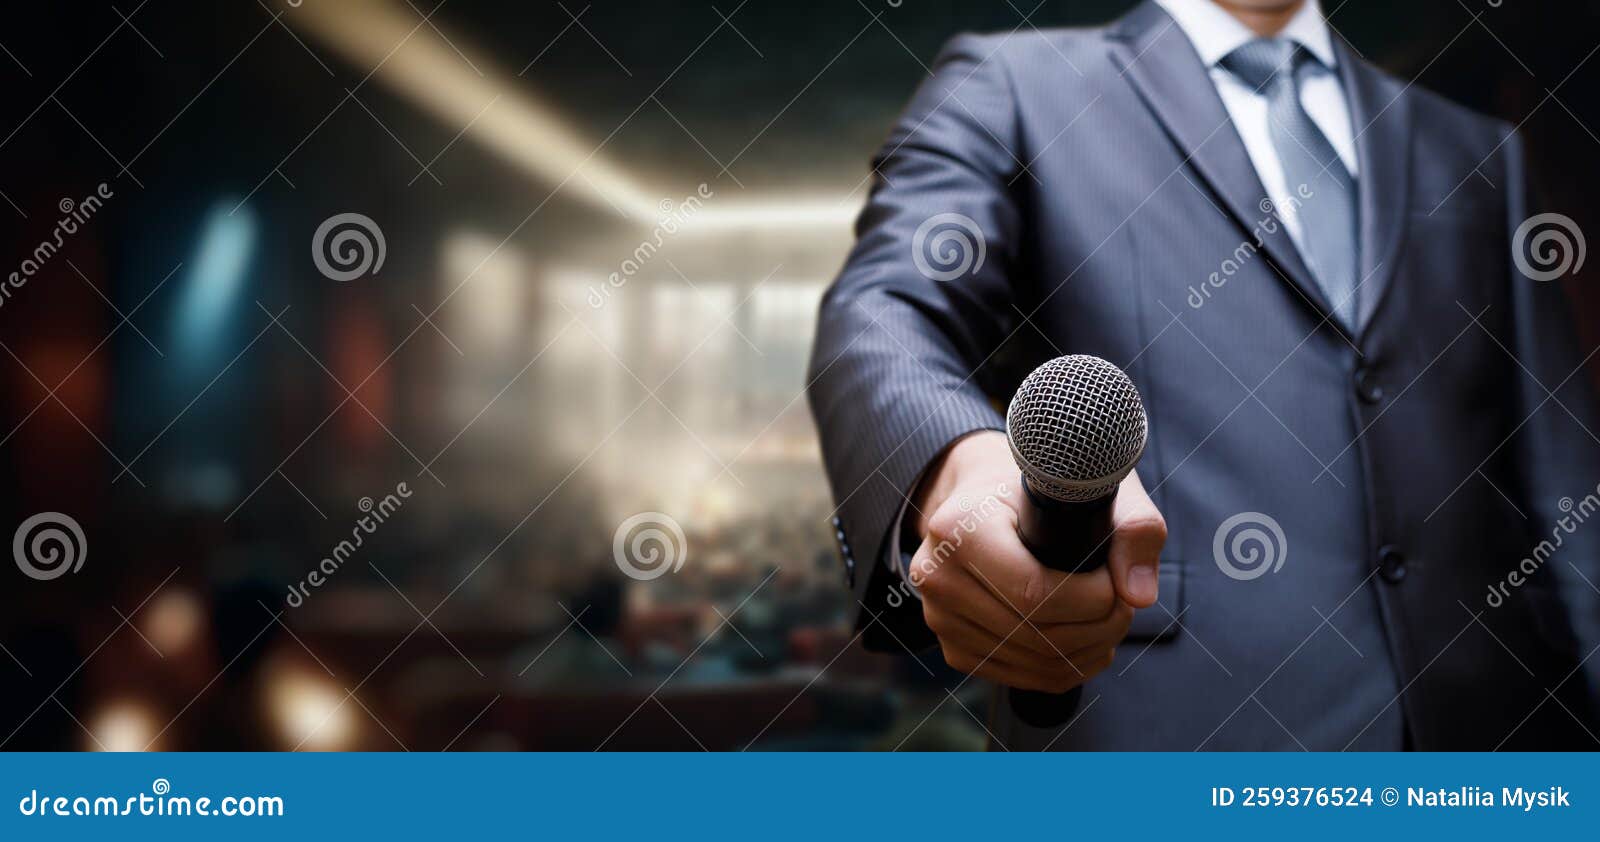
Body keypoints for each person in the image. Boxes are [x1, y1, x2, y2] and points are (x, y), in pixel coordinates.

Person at [807, 0, 1600, 749]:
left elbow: (1563, 477)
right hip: (1162, 737)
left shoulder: (1476, 149)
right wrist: (958, 467)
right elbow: (882, 312)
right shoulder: (1017, 83)